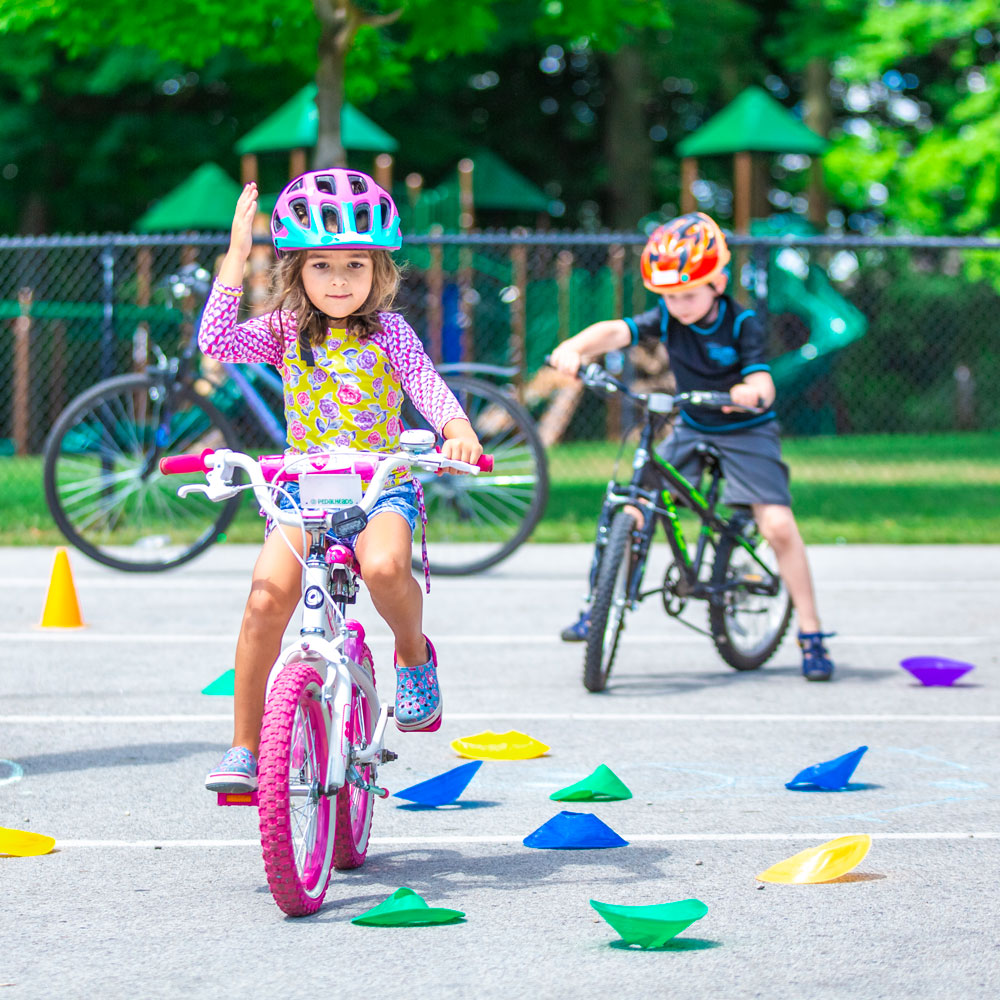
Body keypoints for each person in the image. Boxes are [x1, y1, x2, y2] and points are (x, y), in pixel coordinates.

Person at [200, 169, 482, 792]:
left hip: (378, 483)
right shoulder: (282, 332)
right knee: (264, 599)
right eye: (322, 266)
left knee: (384, 568)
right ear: (297, 269)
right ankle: (246, 749)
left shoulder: (389, 332)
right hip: (304, 488)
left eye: (355, 265)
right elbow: (215, 340)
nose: (338, 280)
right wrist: (236, 256)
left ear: (377, 271)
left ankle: (413, 653)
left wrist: (457, 428)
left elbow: (429, 389)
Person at [549, 212, 834, 681]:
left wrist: (753, 391)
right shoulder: (667, 316)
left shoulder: (741, 322)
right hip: (693, 424)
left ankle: (811, 632)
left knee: (778, 525)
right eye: (669, 296)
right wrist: (576, 347)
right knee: (631, 506)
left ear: (718, 282)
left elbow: (761, 373)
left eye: (687, 294)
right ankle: (597, 607)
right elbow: (617, 331)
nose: (677, 306)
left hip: (746, 429)